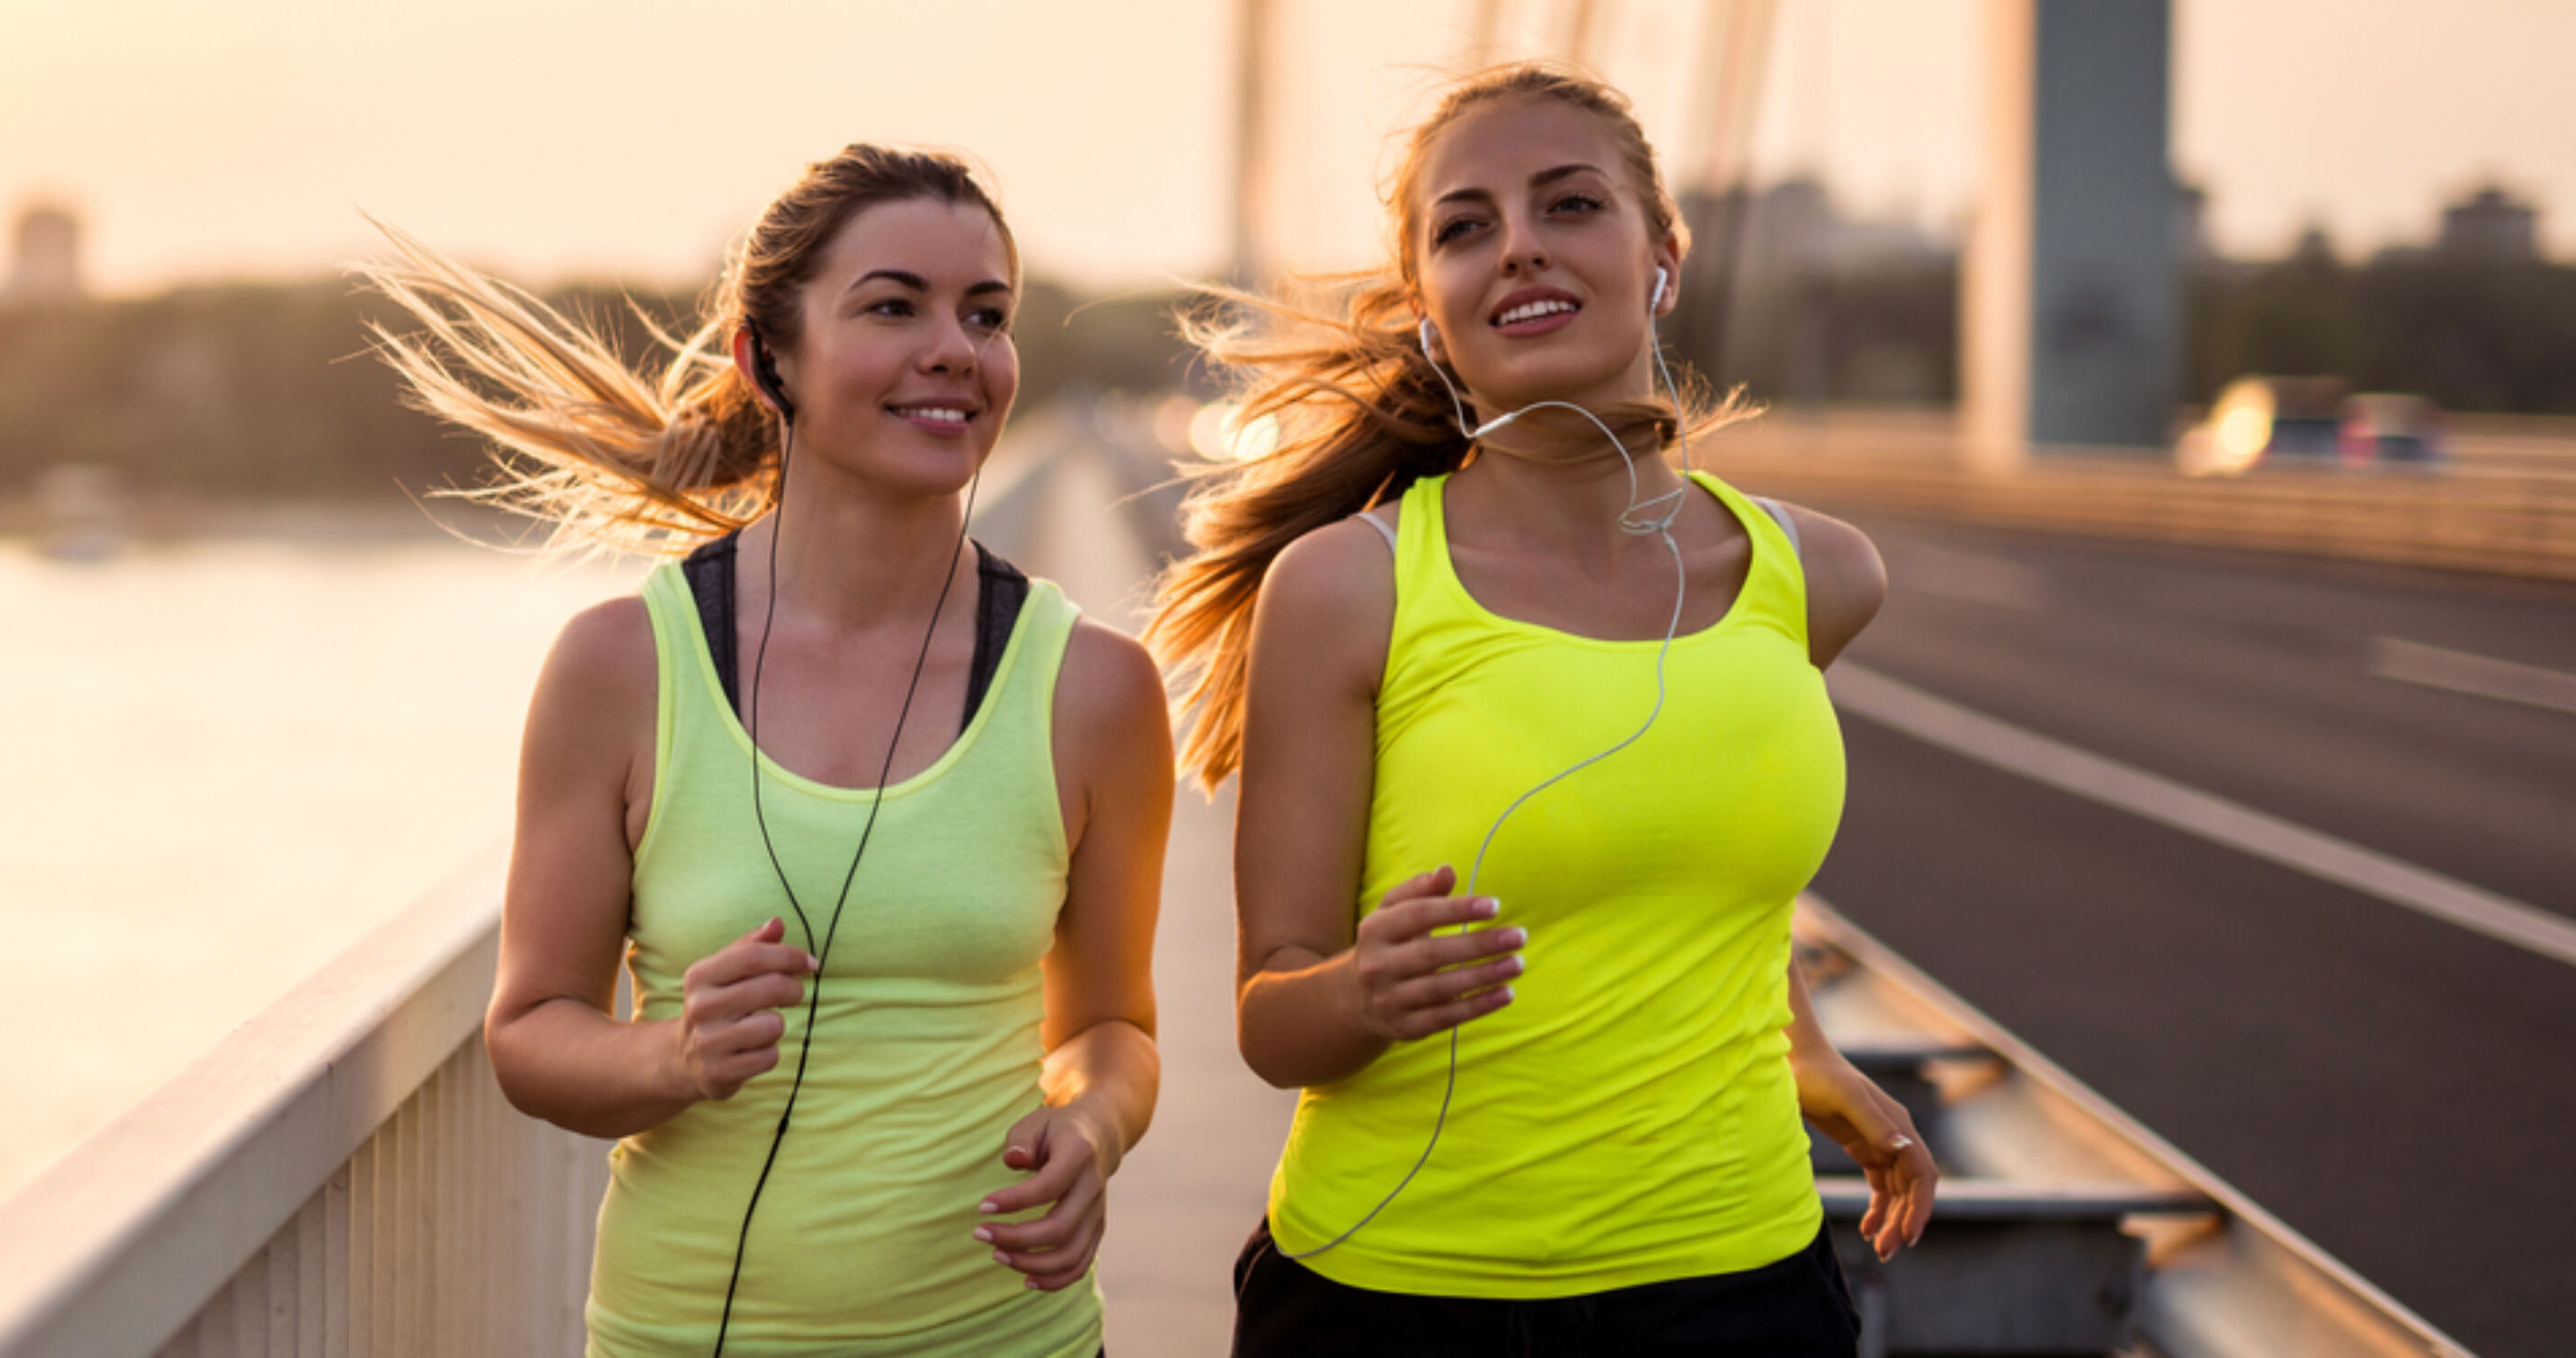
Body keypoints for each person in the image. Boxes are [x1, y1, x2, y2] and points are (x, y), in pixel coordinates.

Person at [1140, 62, 1941, 1354]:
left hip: (1745, 1290)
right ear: (1427, 303)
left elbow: (1690, 849)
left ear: (1663, 255)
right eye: (1466, 227)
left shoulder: (1820, 576)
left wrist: (1804, 1046)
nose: (1518, 246)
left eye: (1569, 205)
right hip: (1401, 1303)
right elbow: (1272, 1017)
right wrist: (1366, 991)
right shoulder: (1346, 588)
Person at [361, 144, 1169, 1358]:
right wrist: (673, 1055)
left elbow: (1114, 1027)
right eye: (893, 306)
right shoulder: (622, 667)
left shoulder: (1095, 688)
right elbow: (530, 1029)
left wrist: (1093, 1123)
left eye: (986, 314)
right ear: (766, 359)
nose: (956, 348)